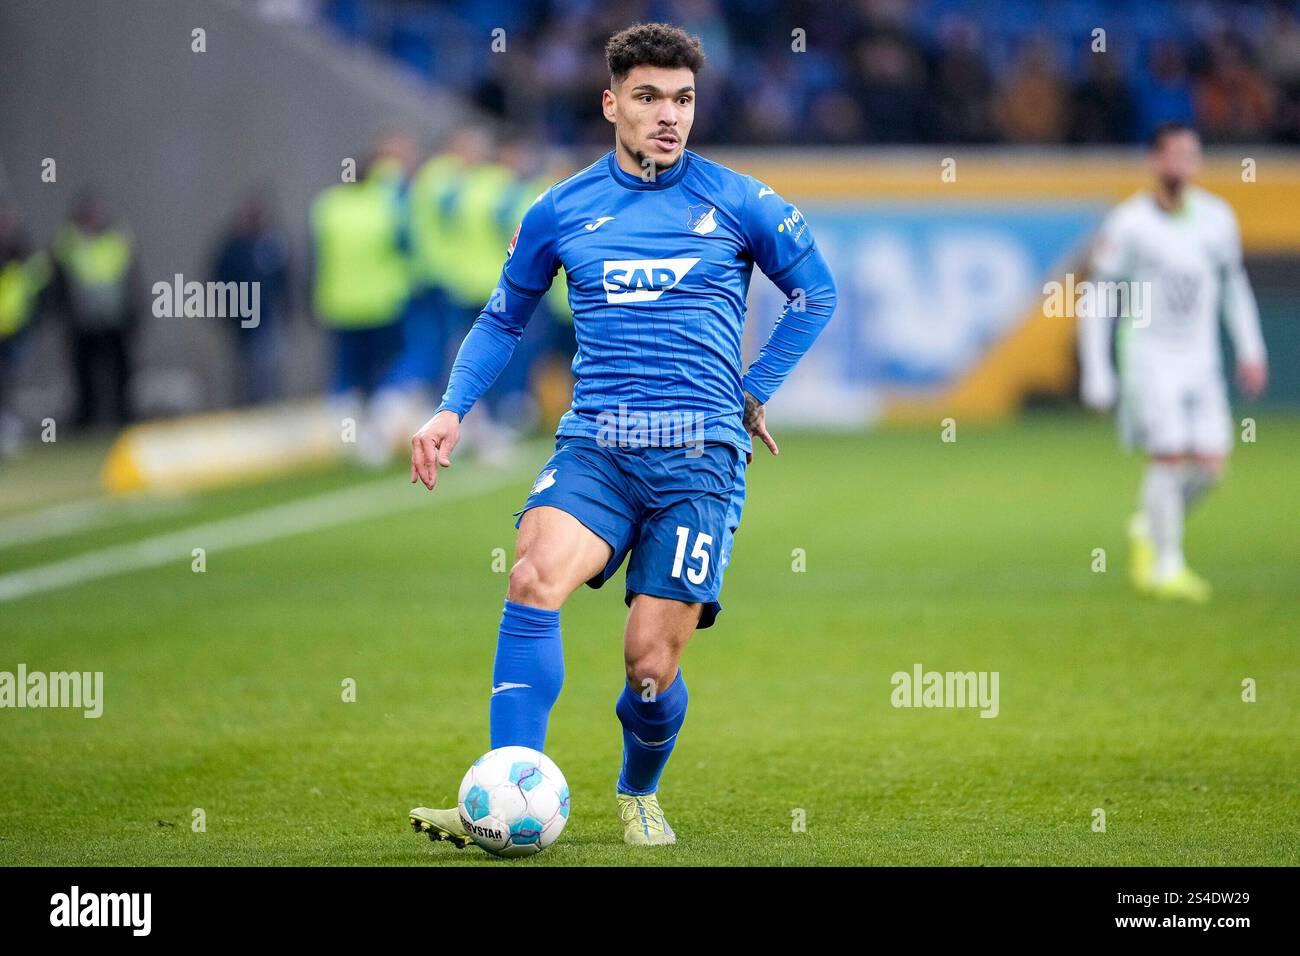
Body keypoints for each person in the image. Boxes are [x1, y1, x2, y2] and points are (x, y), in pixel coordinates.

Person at [407, 22, 836, 847]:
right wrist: (452, 406)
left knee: (648, 667)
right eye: (648, 98)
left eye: (683, 99)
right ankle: (502, 793)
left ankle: (638, 788)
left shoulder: (741, 200)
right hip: (596, 446)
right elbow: (505, 317)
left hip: (698, 458)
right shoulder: (561, 208)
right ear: (611, 104)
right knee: (532, 577)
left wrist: (751, 392)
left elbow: (815, 295)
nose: (668, 115)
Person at [1078, 122, 1267, 603]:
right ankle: (1168, 566)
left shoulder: (1217, 219)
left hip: (1200, 359)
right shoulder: (1129, 224)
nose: (1184, 163)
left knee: (1210, 464)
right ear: (1155, 161)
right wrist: (1097, 370)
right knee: (1168, 453)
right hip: (1149, 352)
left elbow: (1233, 286)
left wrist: (1251, 349)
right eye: (1175, 154)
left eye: (1191, 155)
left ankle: (1149, 525)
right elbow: (1099, 295)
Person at [309, 134, 414, 462]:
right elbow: (406, 249)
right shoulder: (387, 206)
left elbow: (314, 257)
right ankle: (375, 441)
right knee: (384, 373)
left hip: (339, 304)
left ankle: (350, 441)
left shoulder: (327, 206)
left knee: (346, 375)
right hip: (382, 304)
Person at [50, 189, 140, 430]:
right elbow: (58, 280)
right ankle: (86, 423)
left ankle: (123, 418)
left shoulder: (117, 238)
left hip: (114, 320)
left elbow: (131, 280)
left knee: (121, 374)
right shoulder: (68, 242)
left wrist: (134, 314)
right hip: (83, 323)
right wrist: (64, 314)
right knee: (84, 377)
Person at [211, 189, 291, 406]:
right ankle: (245, 406)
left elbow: (284, 278)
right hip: (240, 316)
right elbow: (218, 277)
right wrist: (222, 307)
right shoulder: (233, 245)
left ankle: (267, 406)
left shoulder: (272, 243)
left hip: (266, 316)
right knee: (242, 368)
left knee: (267, 365)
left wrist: (286, 308)